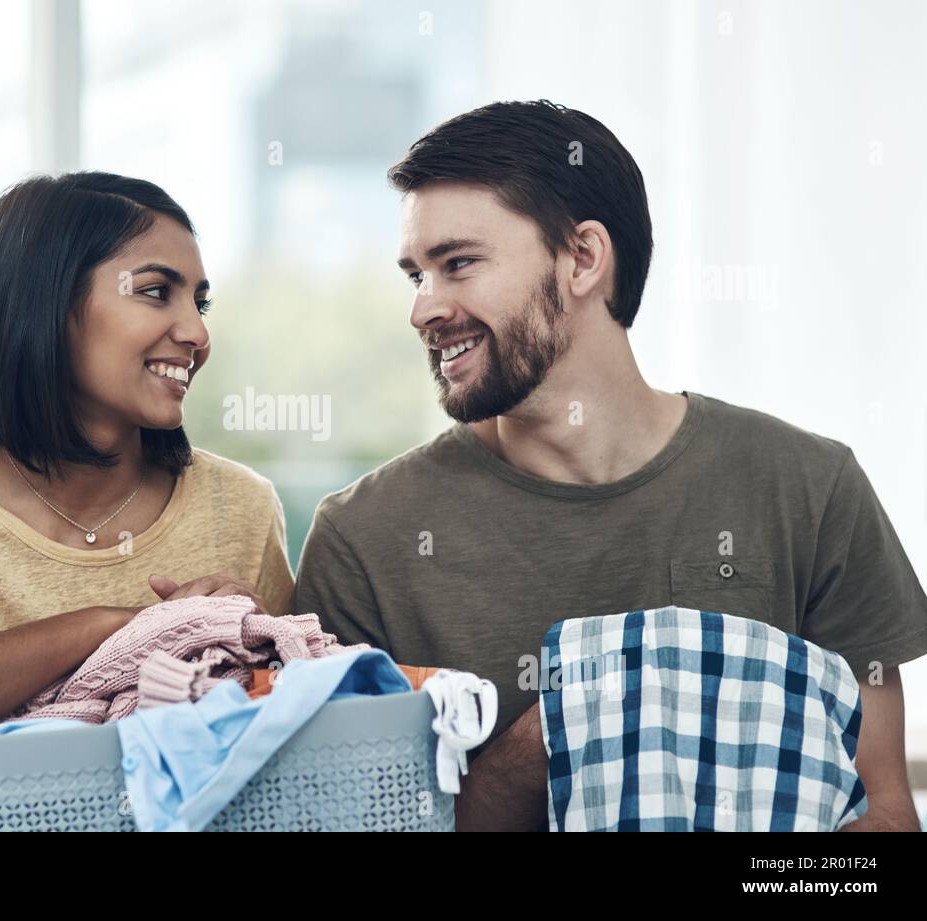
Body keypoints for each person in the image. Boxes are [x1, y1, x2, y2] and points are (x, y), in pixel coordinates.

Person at [293, 100, 926, 831]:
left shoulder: (810, 489)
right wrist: (568, 724)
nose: (423, 310)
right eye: (416, 276)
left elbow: (882, 813)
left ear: (584, 258)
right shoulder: (363, 539)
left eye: (458, 264)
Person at [0, 172, 295, 831]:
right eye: (157, 292)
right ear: (46, 303)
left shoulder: (239, 507)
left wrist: (250, 647)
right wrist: (124, 628)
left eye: (201, 303)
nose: (196, 332)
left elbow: (295, 739)